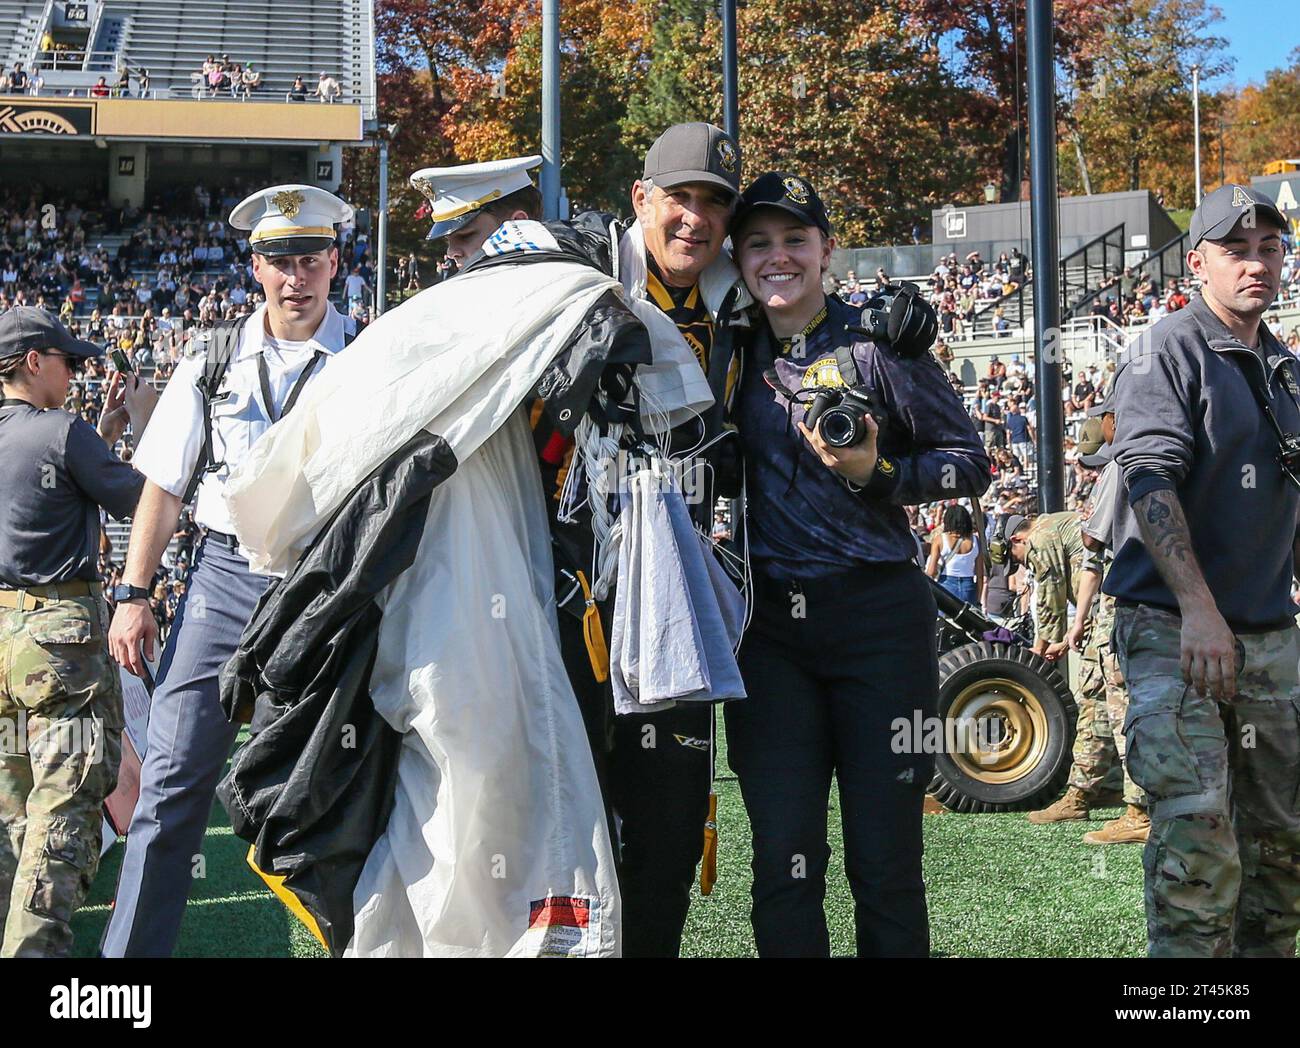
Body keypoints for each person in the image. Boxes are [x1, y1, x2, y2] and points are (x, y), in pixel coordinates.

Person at [724, 172, 990, 956]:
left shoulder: (881, 344)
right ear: (737, 257)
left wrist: (880, 476)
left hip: (880, 621)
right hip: (766, 630)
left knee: (887, 862)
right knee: (782, 863)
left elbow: (968, 465)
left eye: (795, 240)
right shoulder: (726, 348)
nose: (778, 258)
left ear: (827, 250)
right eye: (759, 243)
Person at [99, 185, 357, 958]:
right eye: (280, 260)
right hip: (220, 585)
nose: (295, 276)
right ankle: (122, 981)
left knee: (338, 792)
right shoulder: (209, 360)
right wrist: (134, 595)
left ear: (335, 262)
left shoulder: (370, 355)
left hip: (322, 588)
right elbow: (164, 487)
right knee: (171, 792)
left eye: (309, 257)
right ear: (255, 267)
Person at [1107, 184, 1300, 958]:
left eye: (1269, 248)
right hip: (1174, 627)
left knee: (1282, 858)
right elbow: (1148, 477)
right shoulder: (1166, 347)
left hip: (1268, 634)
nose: (1255, 263)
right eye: (1235, 250)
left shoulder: (1287, 368)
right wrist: (1199, 609)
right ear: (1197, 263)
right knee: (1200, 848)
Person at [0, 307, 157, 956]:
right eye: (69, 362)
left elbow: (39, 492)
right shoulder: (63, 433)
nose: (78, 374)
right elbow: (147, 501)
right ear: (34, 362)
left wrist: (102, 434)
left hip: (5, 652)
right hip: (60, 652)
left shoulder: (53, 434)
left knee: (13, 812)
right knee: (61, 819)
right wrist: (145, 424)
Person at [1065, 398, 1149, 846]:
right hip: (1153, 592)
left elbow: (1093, 539)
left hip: (1127, 593)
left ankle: (1138, 810)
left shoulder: (1120, 464)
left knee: (1124, 702)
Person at [925, 504, 984, 606]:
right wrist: (978, 599)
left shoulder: (940, 539)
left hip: (946, 585)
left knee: (945, 620)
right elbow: (980, 575)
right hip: (968, 587)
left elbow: (931, 571)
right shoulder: (975, 540)